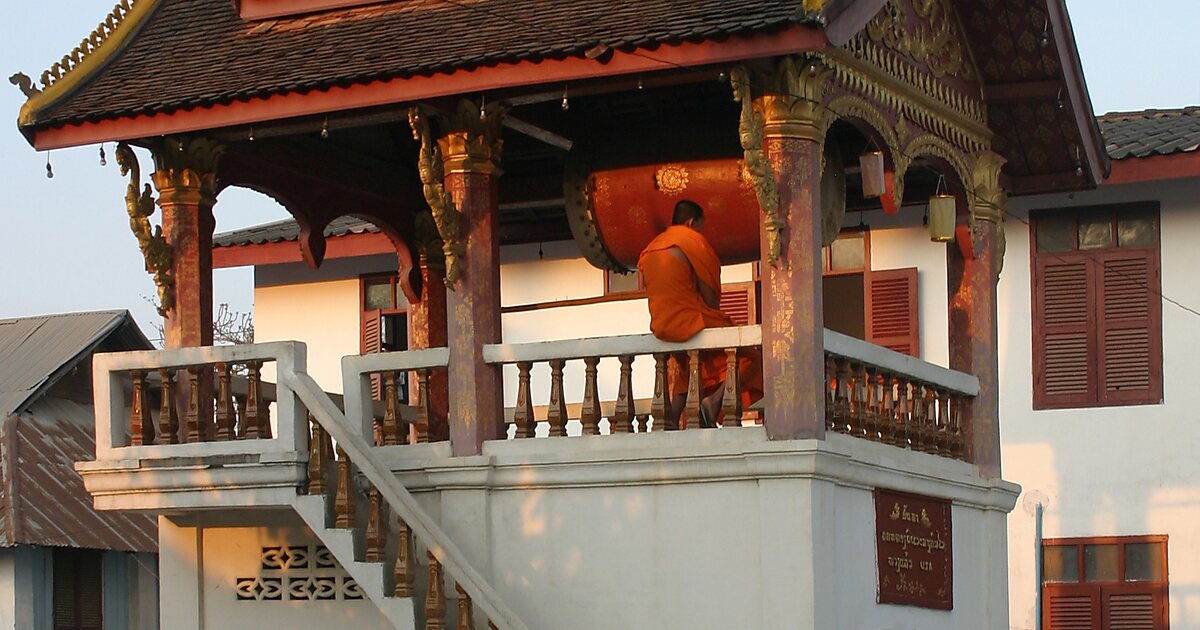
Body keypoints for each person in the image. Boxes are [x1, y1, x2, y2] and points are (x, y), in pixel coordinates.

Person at [637, 199, 763, 428]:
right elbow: (711, 299)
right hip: (690, 321)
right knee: (753, 359)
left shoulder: (651, 248)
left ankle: (671, 419)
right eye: (700, 227)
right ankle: (714, 402)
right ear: (692, 222)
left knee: (692, 367)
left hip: (661, 326)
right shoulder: (691, 241)